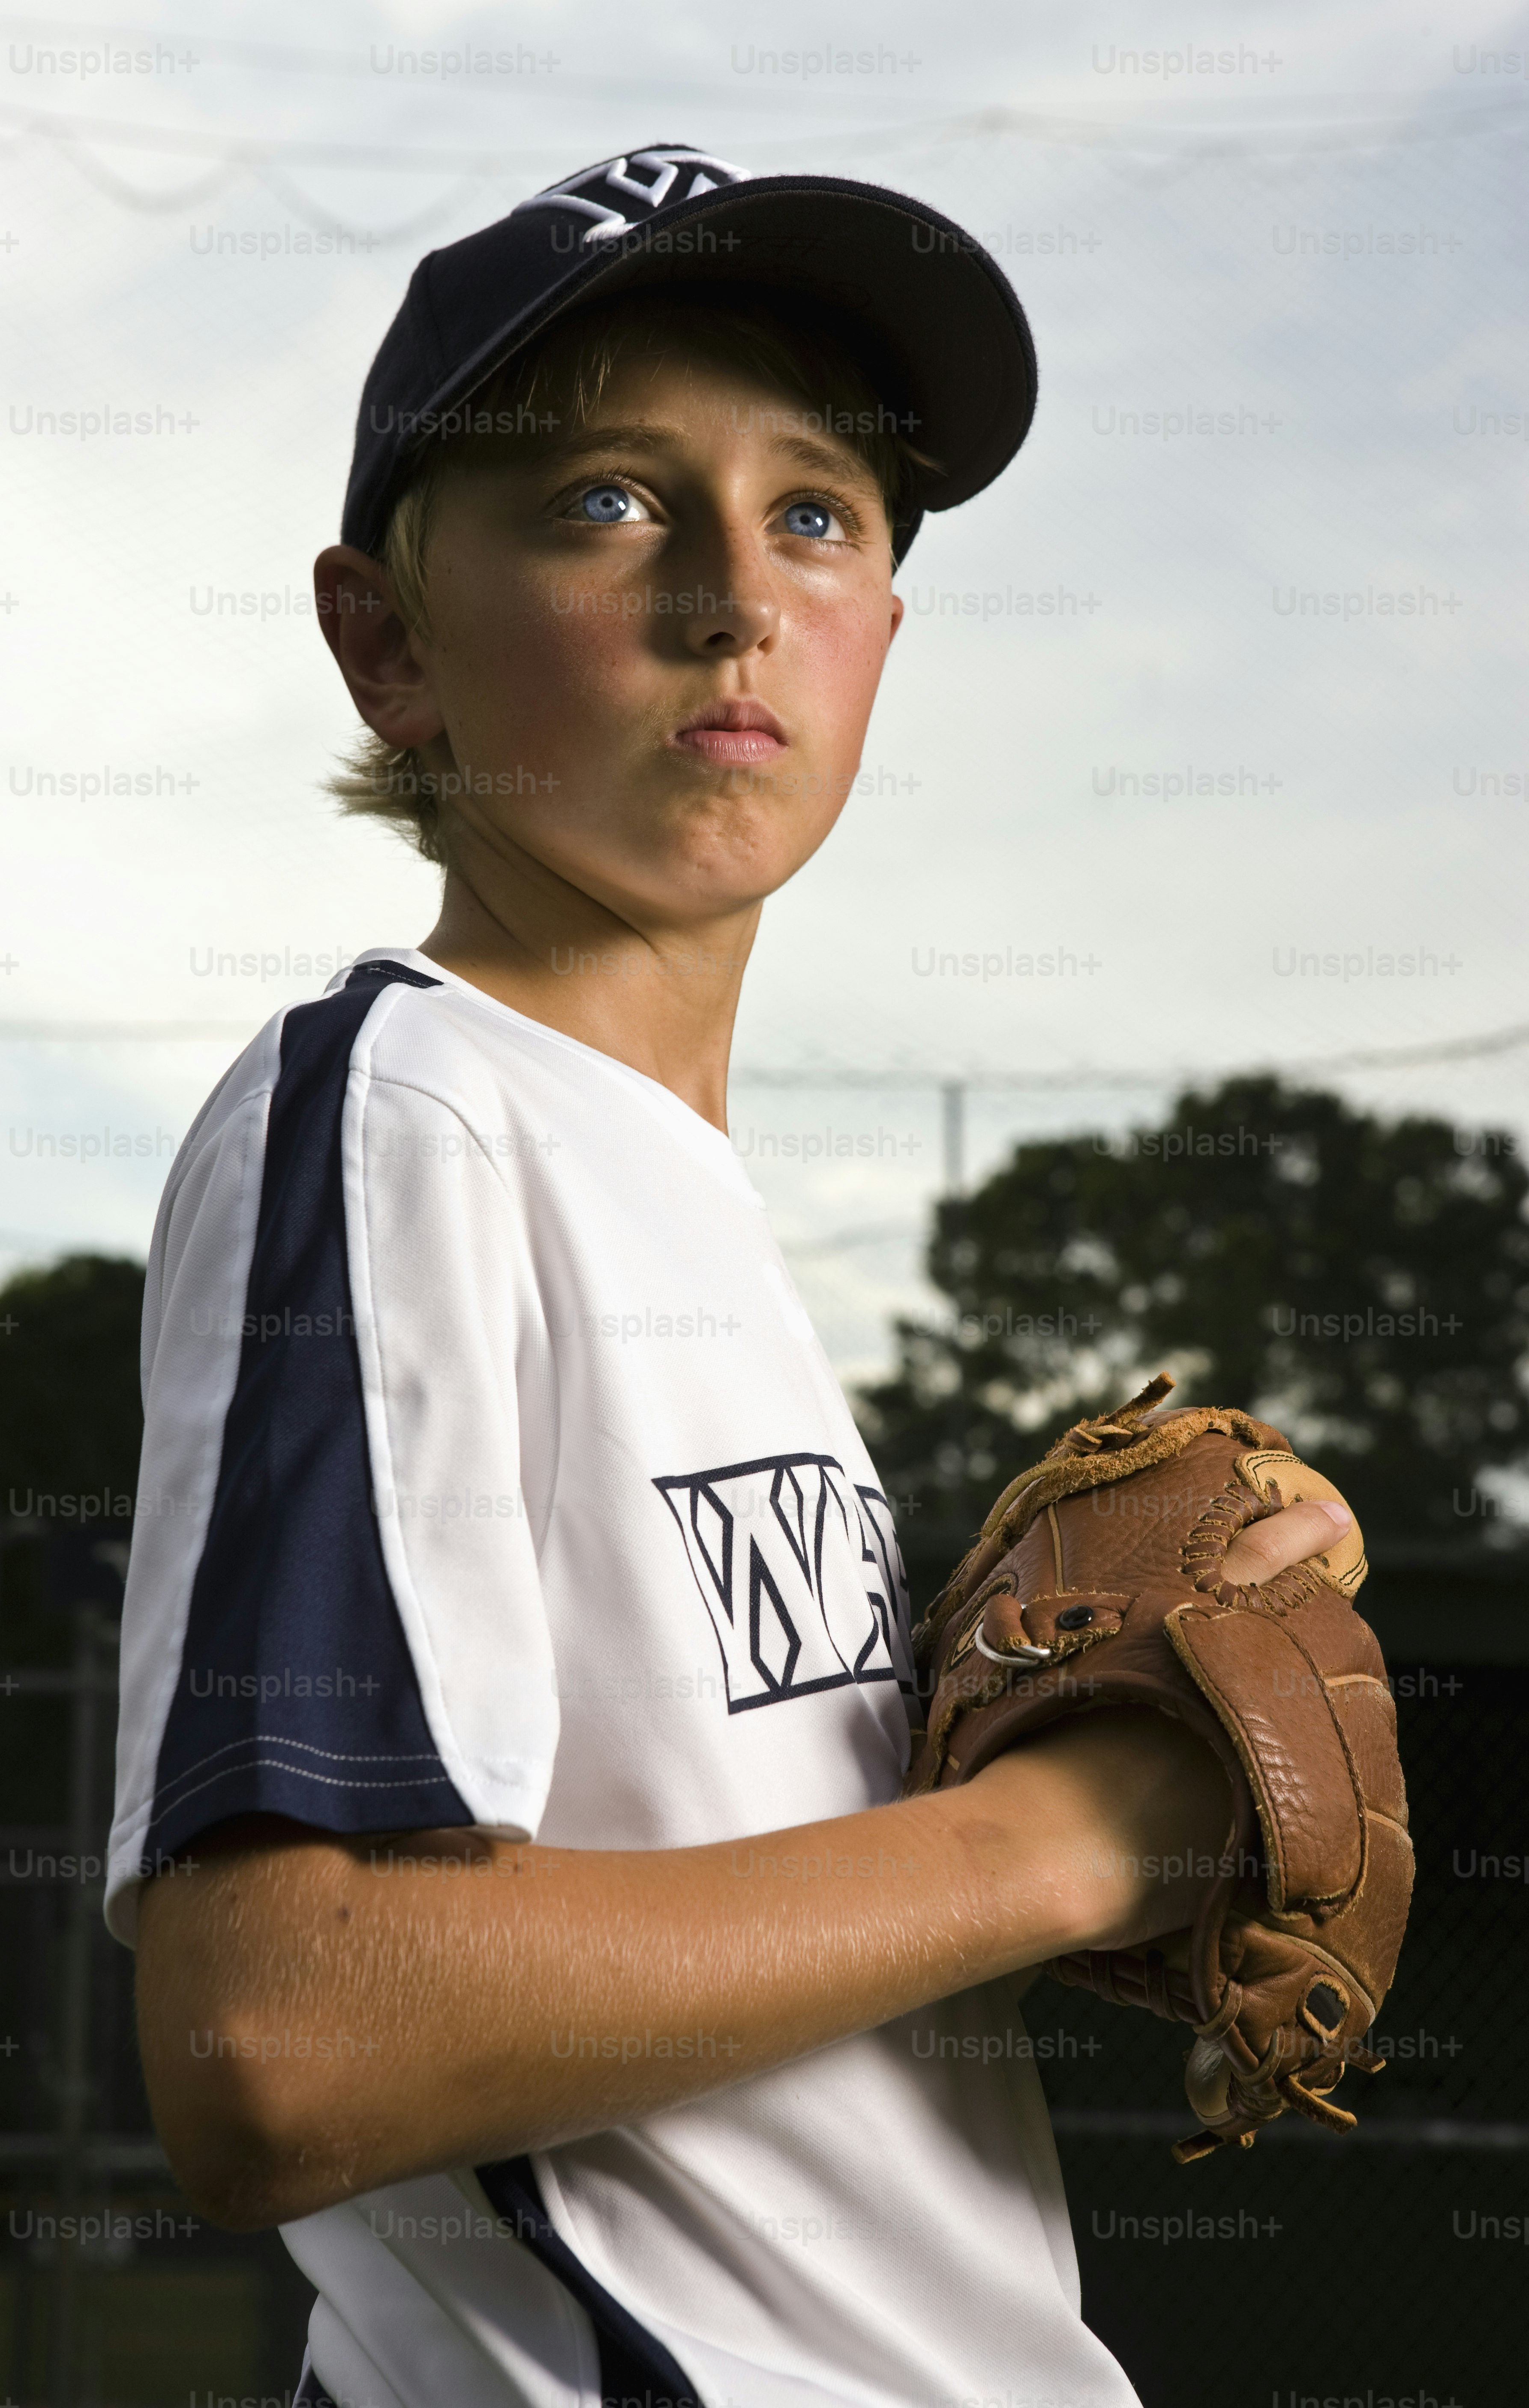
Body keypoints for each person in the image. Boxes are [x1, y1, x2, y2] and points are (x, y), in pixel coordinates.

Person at [106, 146, 1353, 2408]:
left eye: (817, 516)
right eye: (602, 499)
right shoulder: (403, 1110)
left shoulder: (682, 1202)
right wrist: (1072, 1837)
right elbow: (286, 2033)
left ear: (883, 630)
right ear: (388, 641)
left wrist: (1084, 1751)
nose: (730, 595)